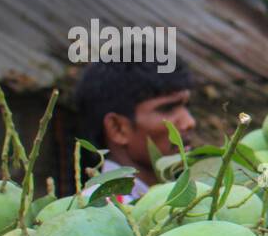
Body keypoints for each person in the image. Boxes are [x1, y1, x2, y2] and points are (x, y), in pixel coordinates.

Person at [73, 60, 196, 200]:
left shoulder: (176, 199)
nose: (189, 122)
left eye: (187, 106)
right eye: (167, 109)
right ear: (117, 128)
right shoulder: (99, 211)